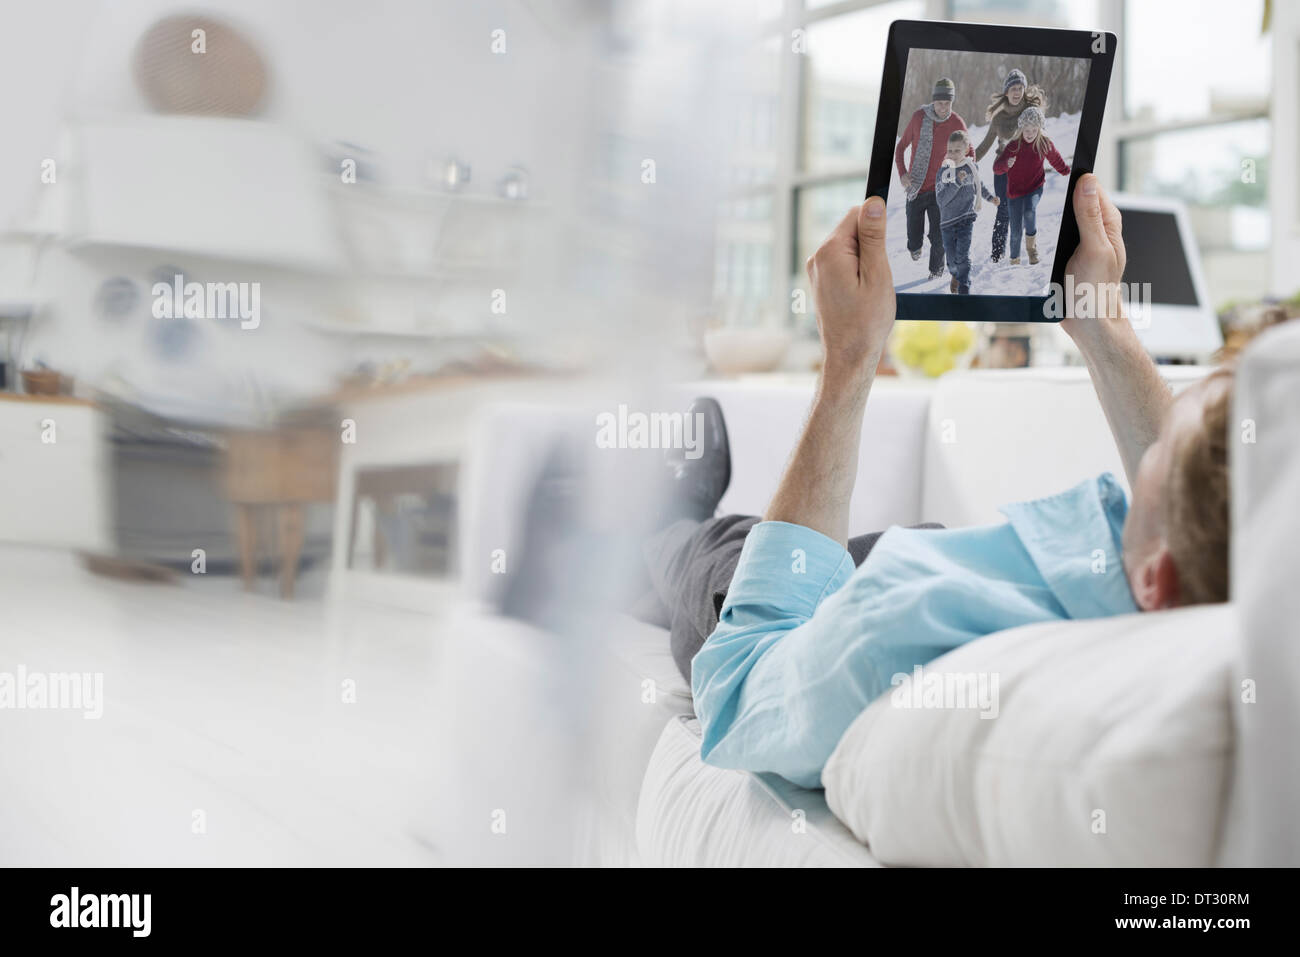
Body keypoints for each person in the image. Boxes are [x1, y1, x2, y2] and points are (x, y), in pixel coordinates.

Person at [633, 175, 1233, 789]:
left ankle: (647, 531)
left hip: (808, 617)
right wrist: (1104, 328)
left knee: (720, 552)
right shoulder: (1217, 581)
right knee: (887, 540)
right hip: (914, 567)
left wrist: (849, 359)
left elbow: (738, 690)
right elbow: (1201, 498)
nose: (1163, 438)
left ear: (1158, 579)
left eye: (1176, 439)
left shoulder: (909, 620)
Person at [893, 77, 972, 280]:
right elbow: (900, 148)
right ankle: (914, 247)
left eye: (947, 103)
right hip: (916, 188)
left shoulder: (957, 123)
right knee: (914, 237)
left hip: (942, 192)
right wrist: (903, 173)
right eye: (939, 103)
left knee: (939, 238)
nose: (943, 108)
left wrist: (962, 176)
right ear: (933, 101)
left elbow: (970, 154)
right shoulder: (919, 118)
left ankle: (935, 273)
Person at [974, 68, 1046, 263]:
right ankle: (997, 255)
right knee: (1004, 210)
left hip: (1026, 171)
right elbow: (985, 145)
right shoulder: (999, 118)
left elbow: (1041, 136)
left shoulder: (1031, 112)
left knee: (1024, 211)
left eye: (1020, 88)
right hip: (1004, 170)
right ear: (1006, 92)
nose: (1016, 92)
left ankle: (1027, 247)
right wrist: (967, 160)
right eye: (1013, 88)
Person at [992, 106, 1070, 265]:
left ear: (1039, 129)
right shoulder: (1014, 145)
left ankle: (1031, 249)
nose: (1030, 133)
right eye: (1027, 129)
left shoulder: (1043, 143)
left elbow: (1056, 160)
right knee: (1015, 230)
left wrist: (1067, 172)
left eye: (1034, 129)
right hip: (1014, 192)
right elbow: (996, 168)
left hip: (1035, 187)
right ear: (1021, 128)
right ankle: (1014, 260)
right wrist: (1007, 164)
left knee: (1029, 211)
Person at [934, 129, 998, 295]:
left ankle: (964, 286)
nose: (953, 154)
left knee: (962, 256)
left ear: (966, 150)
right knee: (952, 261)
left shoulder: (971, 168)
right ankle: (955, 274)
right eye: (950, 150)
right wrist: (956, 182)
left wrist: (990, 198)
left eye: (957, 150)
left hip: (965, 220)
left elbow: (978, 186)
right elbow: (941, 200)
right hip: (947, 223)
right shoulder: (943, 172)